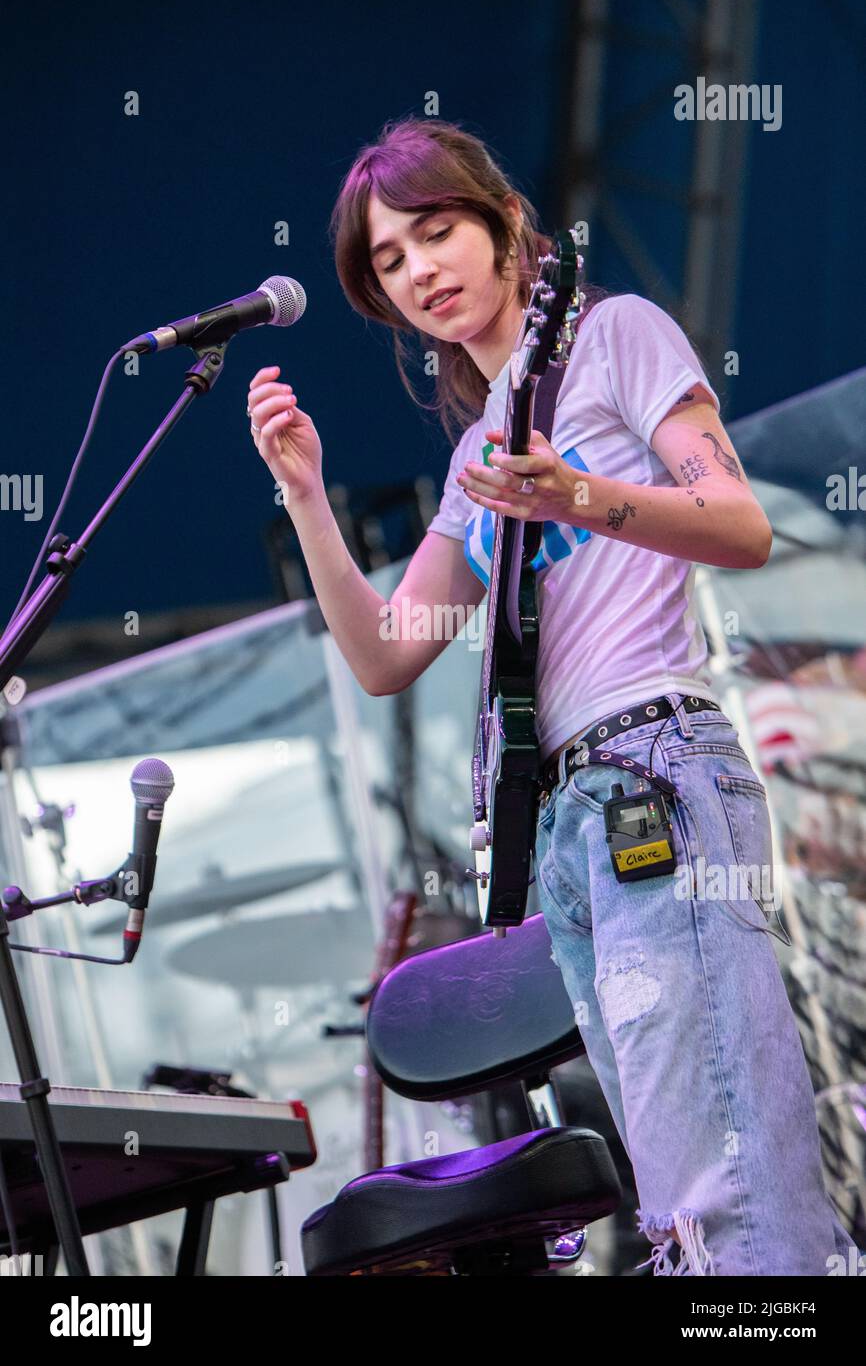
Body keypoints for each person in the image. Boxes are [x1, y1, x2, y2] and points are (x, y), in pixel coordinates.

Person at [244, 116, 860, 1276]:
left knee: (724, 1173)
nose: (418, 270)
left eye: (435, 232)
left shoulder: (615, 336)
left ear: (502, 223)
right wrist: (307, 498)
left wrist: (574, 496)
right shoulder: (481, 449)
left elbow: (739, 524)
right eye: (388, 260)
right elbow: (386, 653)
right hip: (573, 822)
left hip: (655, 766)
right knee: (675, 1185)